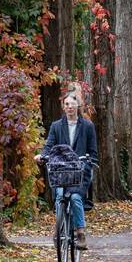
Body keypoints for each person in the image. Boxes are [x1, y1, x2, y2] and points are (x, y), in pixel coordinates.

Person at [42, 92, 98, 249]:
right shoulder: (56, 126)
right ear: (63, 107)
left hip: (80, 170)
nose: (69, 107)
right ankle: (59, 228)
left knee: (74, 197)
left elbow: (93, 151)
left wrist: (91, 162)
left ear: (77, 105)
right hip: (61, 169)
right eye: (66, 104)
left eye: (72, 104)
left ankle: (80, 233)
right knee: (59, 195)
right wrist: (43, 155)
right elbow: (49, 145)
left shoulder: (87, 126)